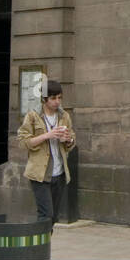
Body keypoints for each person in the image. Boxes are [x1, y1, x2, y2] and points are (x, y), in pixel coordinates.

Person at [18, 79, 76, 225]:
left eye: (60, 98)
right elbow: (23, 142)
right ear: (44, 99)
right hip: (40, 174)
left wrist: (68, 139)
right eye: (53, 98)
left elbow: (72, 141)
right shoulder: (33, 116)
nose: (57, 102)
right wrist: (47, 135)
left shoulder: (64, 116)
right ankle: (38, 247)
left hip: (60, 172)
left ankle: (42, 245)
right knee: (46, 215)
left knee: (53, 217)